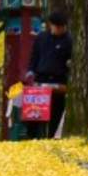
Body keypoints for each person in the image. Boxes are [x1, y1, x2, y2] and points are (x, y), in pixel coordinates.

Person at [26, 11, 73, 139]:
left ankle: (52, 137)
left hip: (59, 82)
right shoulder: (41, 38)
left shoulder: (69, 41)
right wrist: (30, 71)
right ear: (51, 25)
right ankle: (32, 138)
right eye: (57, 26)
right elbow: (34, 57)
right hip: (41, 80)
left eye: (62, 27)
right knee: (34, 113)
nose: (59, 29)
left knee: (55, 114)